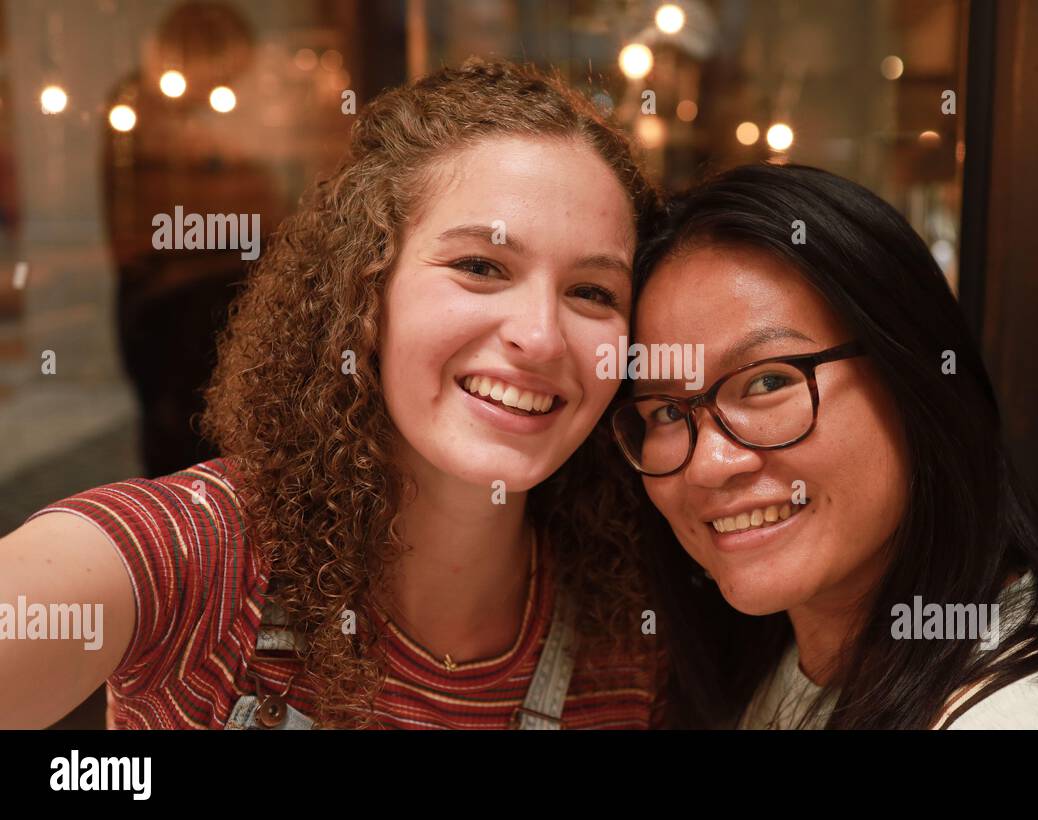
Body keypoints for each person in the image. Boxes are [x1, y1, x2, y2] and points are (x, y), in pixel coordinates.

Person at [0, 60, 664, 729]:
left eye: (592, 292)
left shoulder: (630, 641)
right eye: (480, 267)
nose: (542, 337)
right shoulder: (195, 559)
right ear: (365, 292)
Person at [614, 163, 1038, 729]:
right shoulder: (787, 657)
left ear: (913, 378)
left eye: (769, 382)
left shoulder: (1025, 717)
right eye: (667, 411)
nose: (708, 465)